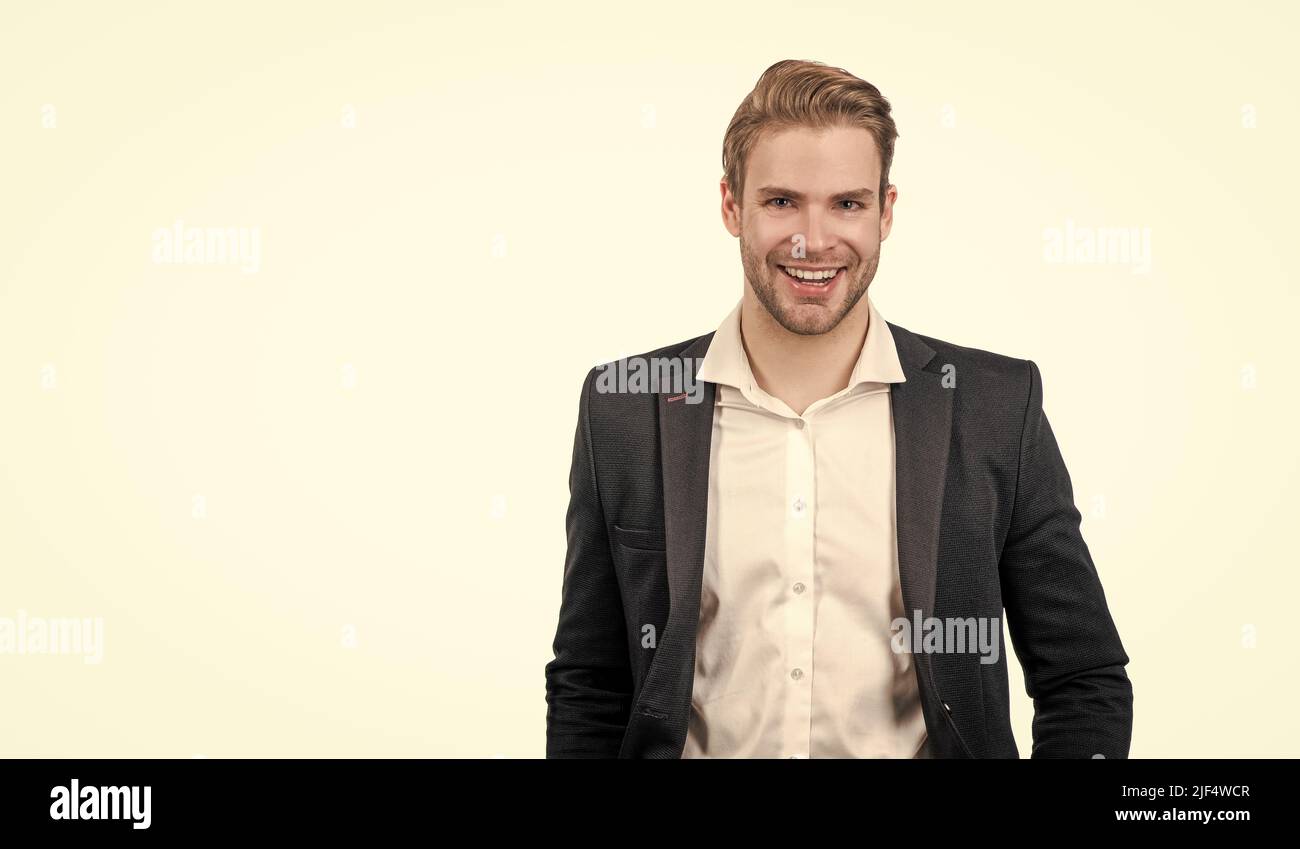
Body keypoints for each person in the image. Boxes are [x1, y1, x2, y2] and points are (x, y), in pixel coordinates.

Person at [544, 59, 1132, 758]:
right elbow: (590, 683)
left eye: (847, 204)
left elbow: (1083, 677)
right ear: (732, 206)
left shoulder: (996, 407)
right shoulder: (625, 409)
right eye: (782, 201)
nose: (813, 240)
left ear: (885, 211)